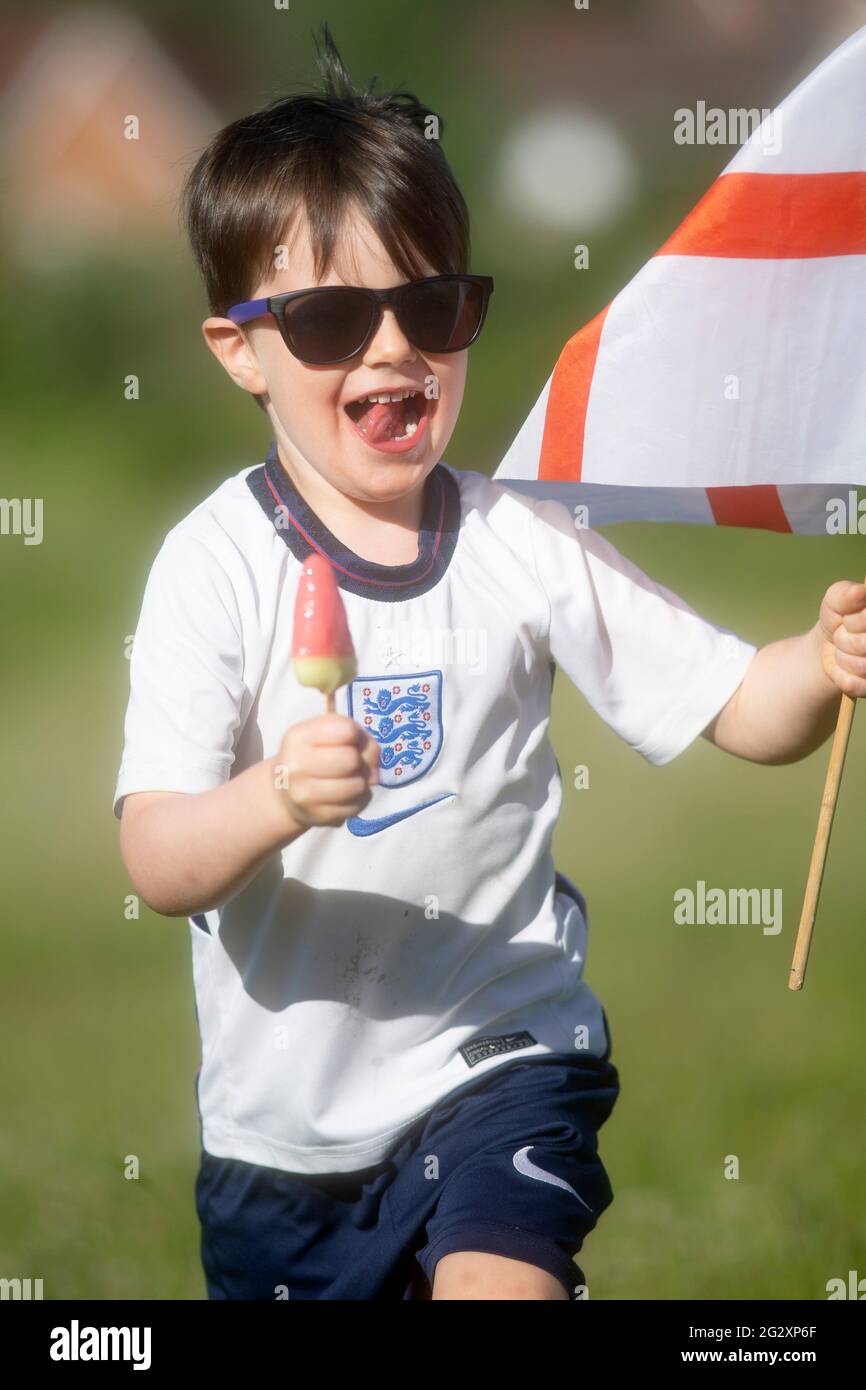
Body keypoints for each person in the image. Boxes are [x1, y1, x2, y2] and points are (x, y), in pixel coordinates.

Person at [114, 25, 866, 1301]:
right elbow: (156, 859)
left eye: (434, 305)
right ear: (239, 349)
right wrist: (276, 799)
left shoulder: (520, 534)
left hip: (503, 1051)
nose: (393, 346)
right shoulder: (213, 565)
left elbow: (739, 707)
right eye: (332, 318)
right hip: (281, 1136)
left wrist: (817, 656)